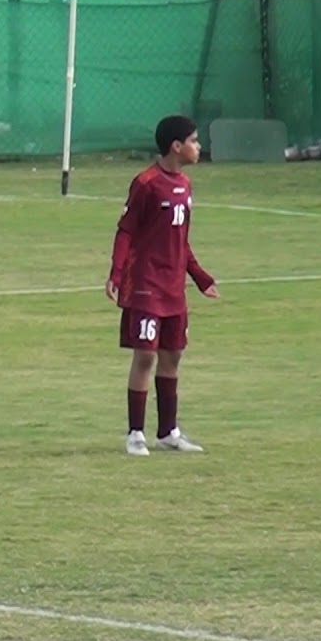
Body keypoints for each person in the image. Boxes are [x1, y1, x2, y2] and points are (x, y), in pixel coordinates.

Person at [106, 115, 220, 457]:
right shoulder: (146, 183)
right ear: (176, 145)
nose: (198, 147)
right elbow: (125, 230)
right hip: (145, 284)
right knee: (145, 356)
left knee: (173, 355)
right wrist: (115, 273)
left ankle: (168, 432)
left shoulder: (185, 186)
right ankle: (135, 434)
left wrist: (200, 278)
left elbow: (181, 242)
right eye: (194, 140)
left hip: (173, 287)